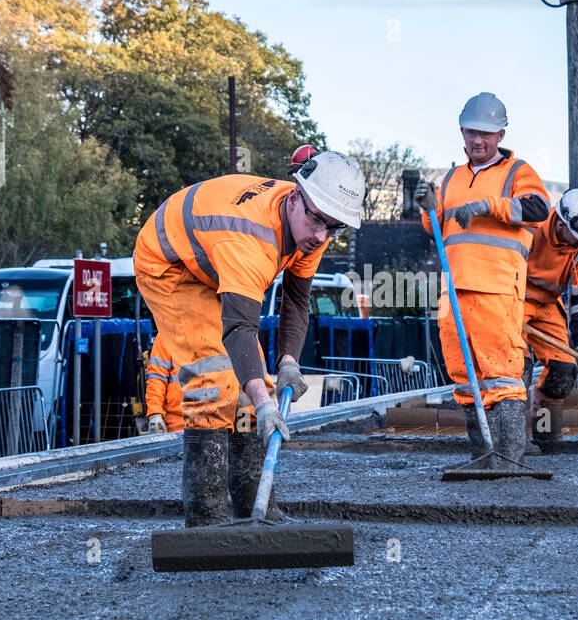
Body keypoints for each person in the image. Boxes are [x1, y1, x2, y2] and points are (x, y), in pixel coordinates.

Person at [133, 151, 365, 527]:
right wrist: (265, 404)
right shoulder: (248, 238)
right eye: (317, 220)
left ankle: (254, 506)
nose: (322, 235)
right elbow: (239, 329)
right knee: (214, 378)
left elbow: (296, 299)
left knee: (247, 389)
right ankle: (205, 517)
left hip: (209, 259)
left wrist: (288, 361)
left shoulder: (313, 226)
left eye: (334, 227)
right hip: (170, 266)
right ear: (294, 198)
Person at [414, 92, 550, 464]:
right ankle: (482, 457)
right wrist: (427, 207)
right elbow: (437, 229)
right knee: (465, 378)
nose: (478, 140)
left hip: (496, 289)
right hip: (454, 293)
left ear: (501, 135)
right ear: (462, 131)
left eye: (486, 134)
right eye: (472, 132)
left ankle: (508, 459)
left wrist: (491, 205)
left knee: (503, 378)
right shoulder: (452, 177)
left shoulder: (517, 172)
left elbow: (539, 209)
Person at [523, 189, 578, 449]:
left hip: (547, 304)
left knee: (563, 371)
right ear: (559, 221)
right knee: (515, 369)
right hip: (512, 299)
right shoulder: (530, 228)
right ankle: (512, 442)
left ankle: (545, 439)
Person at [144, 332, 184, 433]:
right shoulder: (167, 333)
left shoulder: (217, 327)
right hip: (178, 424)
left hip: (215, 422)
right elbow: (157, 378)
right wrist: (155, 413)